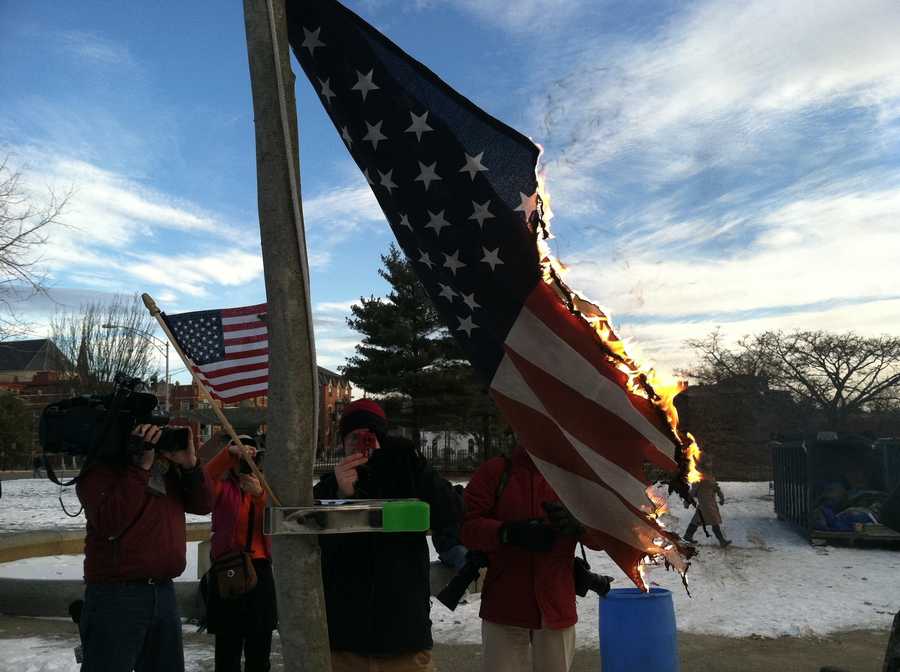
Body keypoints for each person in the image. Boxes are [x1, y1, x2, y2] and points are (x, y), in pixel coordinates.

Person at [313, 399, 462, 672]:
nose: (361, 445)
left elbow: (451, 514)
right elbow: (314, 544)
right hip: (345, 639)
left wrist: (416, 464)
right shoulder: (327, 486)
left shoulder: (407, 476)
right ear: (342, 443)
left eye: (369, 437)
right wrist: (342, 495)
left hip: (404, 634)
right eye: (353, 437)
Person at [75, 423, 212, 672]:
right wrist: (140, 468)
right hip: (116, 595)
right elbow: (110, 522)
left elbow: (203, 504)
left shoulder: (166, 470)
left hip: (163, 591)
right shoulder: (100, 470)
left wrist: (190, 465)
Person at [461, 444, 583, 672]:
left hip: (556, 603)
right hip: (504, 604)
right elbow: (466, 527)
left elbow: (603, 537)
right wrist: (507, 532)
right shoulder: (495, 472)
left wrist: (580, 524)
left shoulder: (573, 476)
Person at [202, 434, 277, 672]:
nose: (244, 461)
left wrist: (259, 495)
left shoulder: (266, 488)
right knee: (227, 650)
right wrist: (227, 455)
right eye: (240, 456)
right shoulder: (222, 488)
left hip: (259, 569)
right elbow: (203, 481)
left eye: (250, 455)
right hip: (229, 570)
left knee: (259, 650)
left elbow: (277, 520)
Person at [683, 458, 731, 547]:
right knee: (714, 521)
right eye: (708, 463)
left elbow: (715, 486)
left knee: (697, 520)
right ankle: (722, 541)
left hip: (710, 502)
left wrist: (721, 496)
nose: (710, 465)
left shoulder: (709, 475)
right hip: (705, 504)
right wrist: (687, 501)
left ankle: (687, 537)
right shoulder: (698, 477)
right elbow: (693, 491)